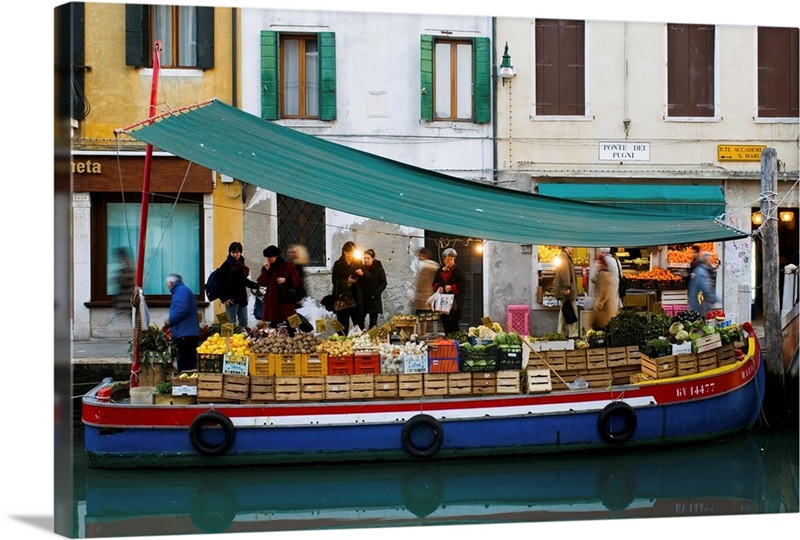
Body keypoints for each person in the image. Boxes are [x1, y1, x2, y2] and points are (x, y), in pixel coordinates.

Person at [257, 245, 303, 334]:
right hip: (272, 300)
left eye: (270, 257)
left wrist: (286, 280)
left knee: (290, 323)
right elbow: (262, 282)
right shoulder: (267, 267)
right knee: (273, 323)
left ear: (276, 256)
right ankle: (274, 340)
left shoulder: (287, 266)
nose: (268, 259)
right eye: (267, 257)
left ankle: (294, 338)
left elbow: (297, 280)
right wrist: (266, 271)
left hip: (285, 299)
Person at [215, 241, 259, 328]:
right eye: (233, 252)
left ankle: (240, 340)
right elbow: (221, 283)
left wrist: (256, 286)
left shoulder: (241, 264)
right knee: (230, 324)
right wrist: (224, 298)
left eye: (237, 252)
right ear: (230, 253)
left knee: (244, 322)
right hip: (231, 299)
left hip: (241, 297)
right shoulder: (226, 265)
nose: (235, 254)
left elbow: (242, 280)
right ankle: (230, 341)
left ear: (240, 252)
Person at [163, 273, 199, 371]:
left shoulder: (181, 291)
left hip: (185, 334)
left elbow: (182, 309)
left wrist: (169, 321)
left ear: (171, 283)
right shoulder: (183, 290)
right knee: (188, 365)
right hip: (187, 333)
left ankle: (185, 385)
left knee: (185, 366)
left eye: (167, 285)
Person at [330, 241, 365, 333]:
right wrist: (347, 281)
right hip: (343, 300)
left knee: (359, 326)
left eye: (352, 253)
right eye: (348, 253)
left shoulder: (358, 263)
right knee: (342, 327)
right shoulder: (338, 264)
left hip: (356, 298)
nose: (350, 255)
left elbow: (366, 279)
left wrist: (362, 274)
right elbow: (335, 281)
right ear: (344, 252)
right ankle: (342, 345)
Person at [432, 247, 468, 336]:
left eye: (451, 260)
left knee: (454, 324)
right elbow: (435, 283)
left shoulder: (458, 270)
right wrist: (439, 288)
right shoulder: (440, 270)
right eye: (447, 259)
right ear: (444, 260)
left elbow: (463, 283)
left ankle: (456, 341)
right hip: (443, 302)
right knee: (445, 322)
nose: (449, 262)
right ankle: (447, 341)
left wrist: (452, 287)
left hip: (454, 302)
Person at [410, 247, 440, 335]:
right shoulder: (428, 266)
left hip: (425, 297)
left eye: (421, 255)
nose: (419, 257)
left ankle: (422, 334)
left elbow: (421, 284)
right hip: (424, 296)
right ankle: (423, 333)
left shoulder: (426, 267)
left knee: (423, 317)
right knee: (423, 317)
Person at [590, 248, 620, 329]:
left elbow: (592, 278)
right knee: (611, 322)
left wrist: (599, 302)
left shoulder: (602, 271)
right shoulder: (617, 261)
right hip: (614, 297)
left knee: (603, 324)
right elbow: (621, 275)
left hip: (605, 305)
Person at [554, 246, 579, 338]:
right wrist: (567, 287)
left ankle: (560, 333)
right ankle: (573, 333)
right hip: (567, 289)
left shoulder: (565, 256)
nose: (573, 248)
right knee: (572, 310)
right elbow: (565, 272)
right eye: (572, 247)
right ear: (567, 247)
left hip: (565, 289)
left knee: (564, 309)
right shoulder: (564, 256)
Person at [361, 248, 388, 329]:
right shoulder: (362, 268)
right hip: (364, 298)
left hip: (374, 299)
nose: (366, 260)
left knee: (373, 322)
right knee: (361, 319)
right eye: (365, 258)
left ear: (373, 258)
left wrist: (374, 294)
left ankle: (372, 337)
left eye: (368, 258)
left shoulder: (379, 269)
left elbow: (383, 283)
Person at [688, 251, 717, 316]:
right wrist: (714, 298)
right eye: (710, 259)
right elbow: (705, 289)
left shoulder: (699, 269)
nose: (711, 261)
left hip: (697, 302)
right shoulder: (701, 272)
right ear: (707, 261)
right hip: (700, 304)